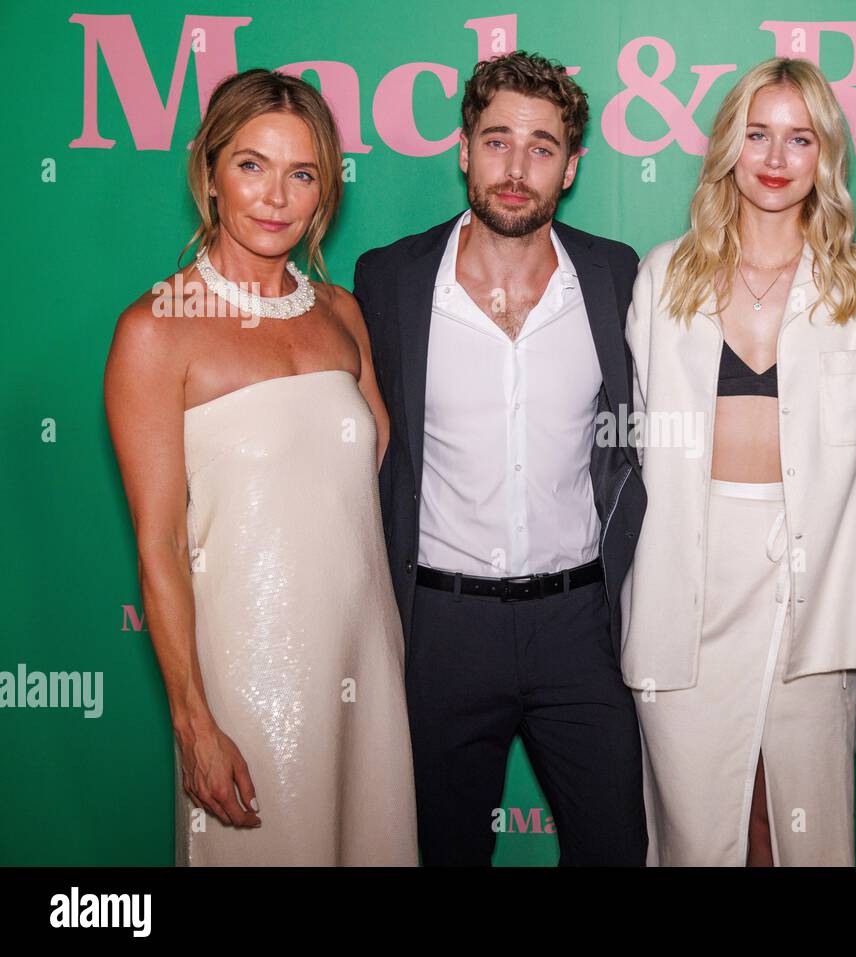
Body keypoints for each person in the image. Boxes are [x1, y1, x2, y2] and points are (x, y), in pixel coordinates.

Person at [103, 68, 418, 865]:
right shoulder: (155, 330)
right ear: (209, 171)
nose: (276, 196)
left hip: (365, 664)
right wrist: (192, 720)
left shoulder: (343, 313)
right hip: (245, 675)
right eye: (252, 165)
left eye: (301, 173)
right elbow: (160, 548)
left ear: (325, 190)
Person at [352, 51, 648, 866]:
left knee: (618, 847)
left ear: (572, 165)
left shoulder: (615, 276)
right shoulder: (388, 281)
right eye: (497, 141)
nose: (516, 169)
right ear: (463, 148)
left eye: (543, 147)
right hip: (444, 629)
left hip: (580, 626)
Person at [622, 57, 856, 866]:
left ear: (826, 156)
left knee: (798, 832)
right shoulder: (664, 275)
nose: (776, 159)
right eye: (757, 135)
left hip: (811, 599)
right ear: (727, 147)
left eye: (799, 138)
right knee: (697, 834)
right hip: (685, 595)